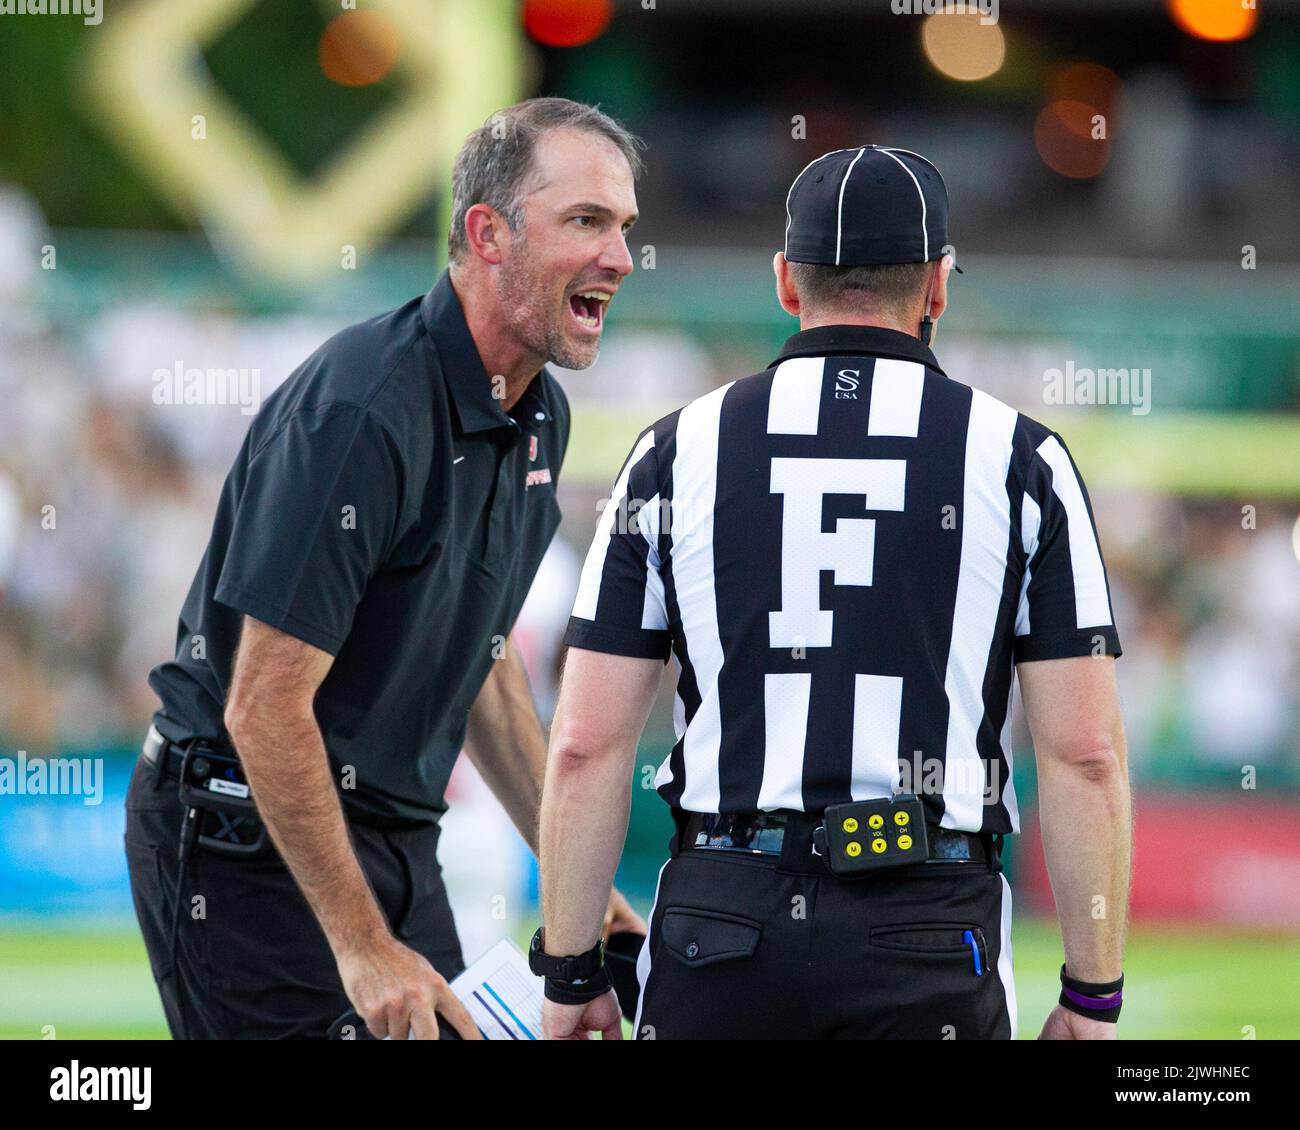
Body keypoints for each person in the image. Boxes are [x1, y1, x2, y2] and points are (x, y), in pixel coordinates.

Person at [534, 146, 1131, 1040]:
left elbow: (585, 744)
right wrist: (1091, 998)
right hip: (926, 920)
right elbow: (1084, 754)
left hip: (722, 920)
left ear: (785, 281)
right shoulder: (1021, 461)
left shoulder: (672, 451)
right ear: (936, 287)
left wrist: (572, 968)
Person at [125, 97, 646, 1040]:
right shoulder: (365, 409)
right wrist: (362, 945)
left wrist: (579, 886)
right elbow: (262, 707)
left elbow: (480, 659)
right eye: (587, 221)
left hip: (395, 839)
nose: (620, 256)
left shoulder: (537, 415)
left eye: (625, 227)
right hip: (247, 843)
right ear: (489, 233)